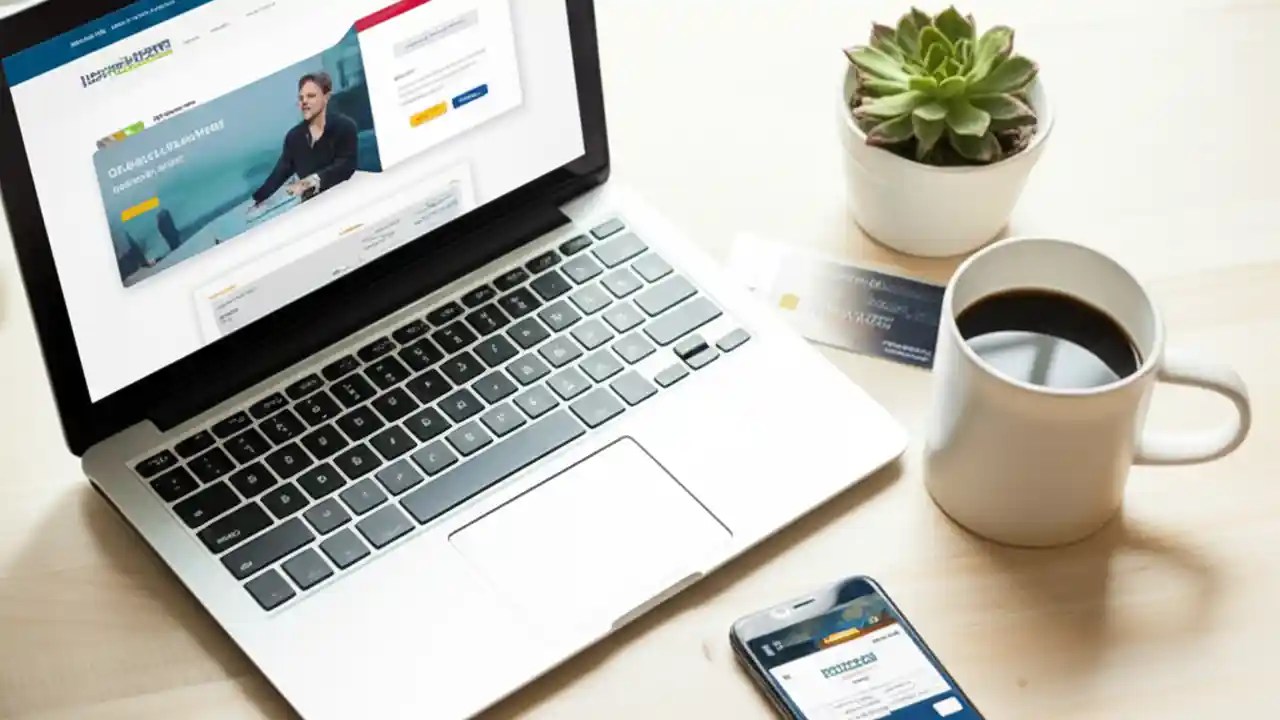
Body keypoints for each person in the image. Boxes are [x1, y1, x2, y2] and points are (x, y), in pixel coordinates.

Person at [250, 71, 357, 212]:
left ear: (326, 97)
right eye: (301, 98)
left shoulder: (345, 126)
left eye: (311, 96)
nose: (304, 101)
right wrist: (258, 199)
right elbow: (279, 173)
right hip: (311, 209)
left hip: (346, 203)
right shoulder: (294, 137)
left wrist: (309, 182)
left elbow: (346, 166)